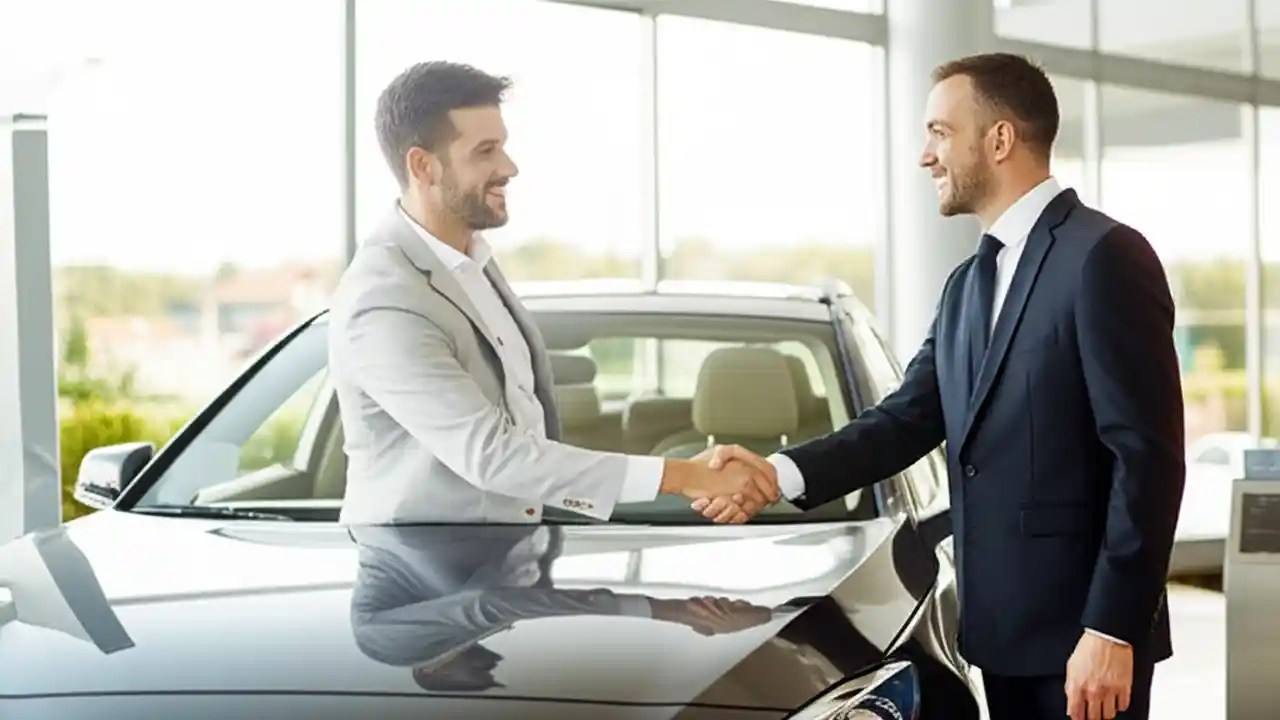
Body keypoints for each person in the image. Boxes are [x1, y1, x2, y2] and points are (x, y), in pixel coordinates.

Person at [697, 53, 1184, 720]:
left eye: (939, 132)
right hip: (999, 635)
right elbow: (904, 421)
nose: (927, 156)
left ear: (1000, 139)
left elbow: (1147, 460)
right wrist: (777, 473)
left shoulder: (1104, 257)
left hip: (1083, 642)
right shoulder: (966, 286)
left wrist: (1112, 628)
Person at [328, 61, 778, 526]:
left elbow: (527, 434)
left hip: (513, 567)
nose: (509, 167)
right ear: (423, 166)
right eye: (485, 151)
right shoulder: (385, 298)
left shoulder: (471, 264)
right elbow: (493, 456)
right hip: (422, 583)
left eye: (502, 146)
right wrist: (686, 476)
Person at [348, 524, 774, 691]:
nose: (493, 664)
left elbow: (488, 604)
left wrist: (672, 610)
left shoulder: (388, 647)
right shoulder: (447, 635)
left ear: (435, 671)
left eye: (480, 672)